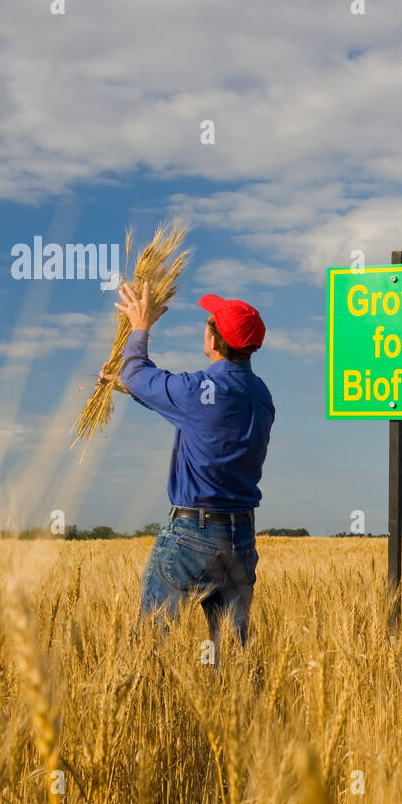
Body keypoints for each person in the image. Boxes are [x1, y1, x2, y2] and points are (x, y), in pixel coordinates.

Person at [100, 280, 275, 661]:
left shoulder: (202, 388)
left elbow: (140, 374)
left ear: (215, 340)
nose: (205, 326)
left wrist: (140, 327)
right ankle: (237, 718)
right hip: (241, 539)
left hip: (193, 536)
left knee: (147, 648)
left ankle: (133, 714)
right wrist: (133, 387)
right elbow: (200, 416)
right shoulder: (260, 394)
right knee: (230, 660)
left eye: (209, 322)